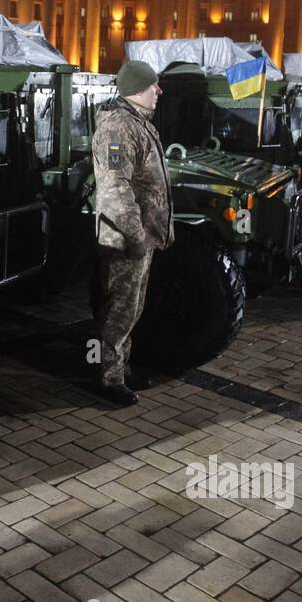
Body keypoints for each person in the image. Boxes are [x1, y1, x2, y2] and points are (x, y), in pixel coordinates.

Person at [91, 60, 173, 406]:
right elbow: (114, 188)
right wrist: (135, 235)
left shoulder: (139, 123)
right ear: (137, 89)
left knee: (133, 308)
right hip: (128, 238)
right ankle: (107, 378)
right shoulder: (118, 129)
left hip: (142, 236)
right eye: (154, 85)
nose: (159, 91)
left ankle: (121, 369)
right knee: (120, 310)